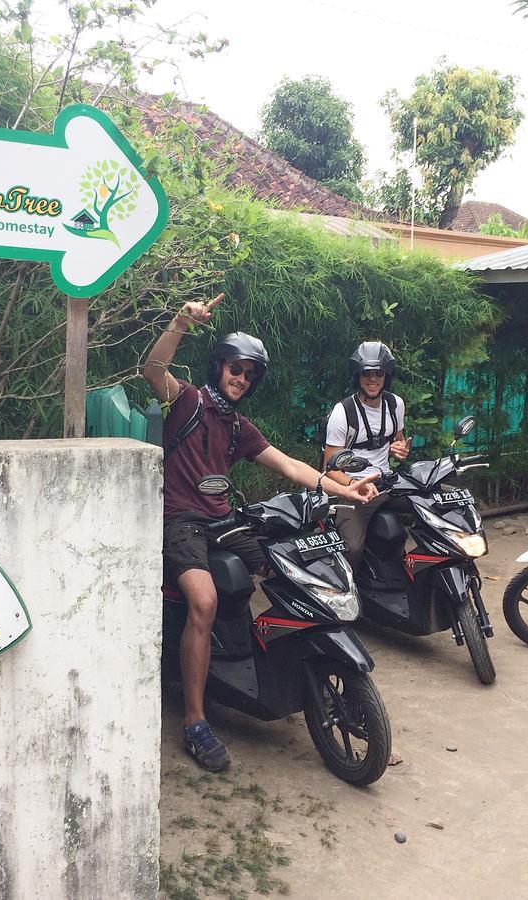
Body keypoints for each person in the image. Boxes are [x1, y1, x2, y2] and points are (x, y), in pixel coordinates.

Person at [143, 295, 379, 771]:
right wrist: (182, 321)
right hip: (179, 521)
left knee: (286, 571)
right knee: (204, 602)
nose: (241, 379)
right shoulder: (187, 400)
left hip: (223, 519)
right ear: (219, 368)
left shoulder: (238, 427)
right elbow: (151, 368)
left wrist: (345, 489)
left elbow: (290, 465)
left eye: (250, 375)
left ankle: (274, 665)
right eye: (236, 369)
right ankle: (194, 720)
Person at [321, 341, 411, 567]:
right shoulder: (343, 412)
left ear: (386, 375)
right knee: (351, 548)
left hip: (387, 482)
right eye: (366, 373)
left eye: (378, 373)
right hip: (354, 488)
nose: (372, 379)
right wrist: (354, 485)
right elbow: (329, 470)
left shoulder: (395, 404)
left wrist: (401, 450)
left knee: (434, 506)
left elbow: (399, 442)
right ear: (357, 376)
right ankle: (344, 595)